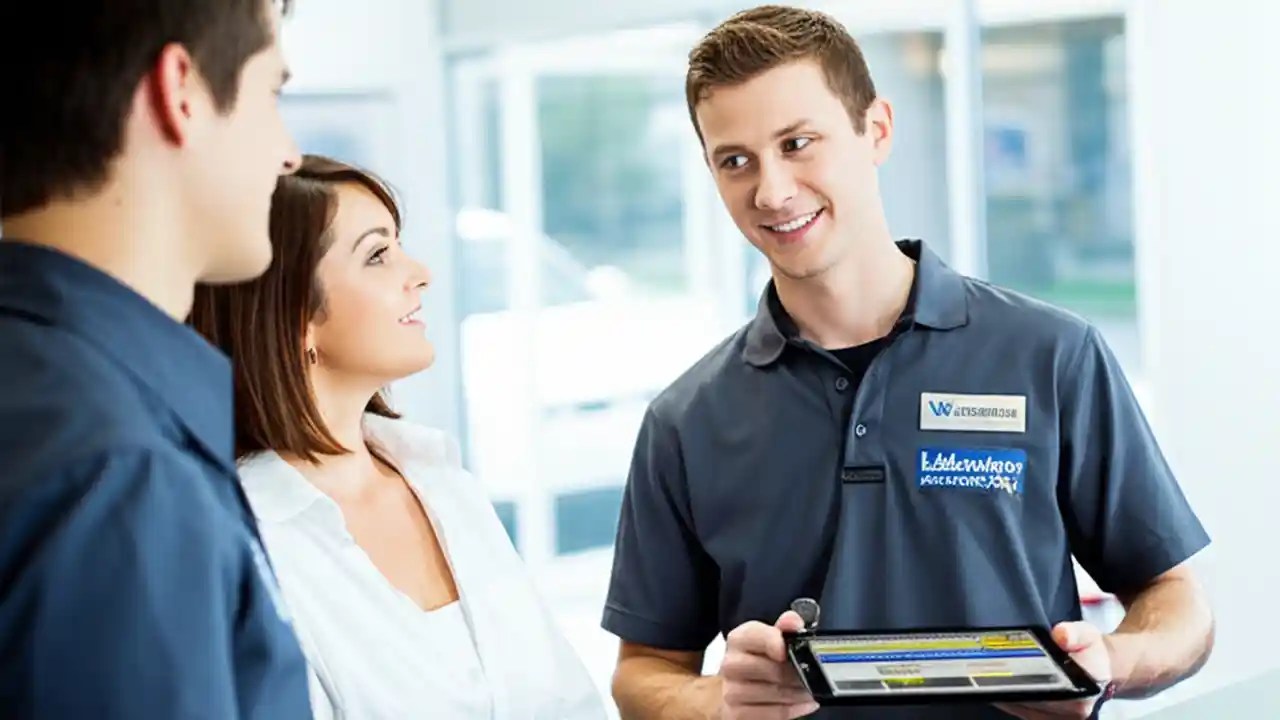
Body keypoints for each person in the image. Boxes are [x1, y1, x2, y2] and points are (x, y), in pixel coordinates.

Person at [602, 6, 1214, 720]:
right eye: (734, 160)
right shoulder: (688, 419)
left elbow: (1177, 602)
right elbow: (642, 672)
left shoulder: (1050, 356)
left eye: (798, 143)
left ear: (877, 130)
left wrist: (1112, 662)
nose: (770, 191)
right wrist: (722, 704)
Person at [188, 154, 608, 720]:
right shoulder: (245, 542)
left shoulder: (442, 481)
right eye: (378, 255)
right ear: (295, 318)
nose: (421, 273)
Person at [0, 1, 310, 718]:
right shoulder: (118, 472)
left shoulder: (47, 395)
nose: (289, 151)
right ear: (181, 92)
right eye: (273, 93)